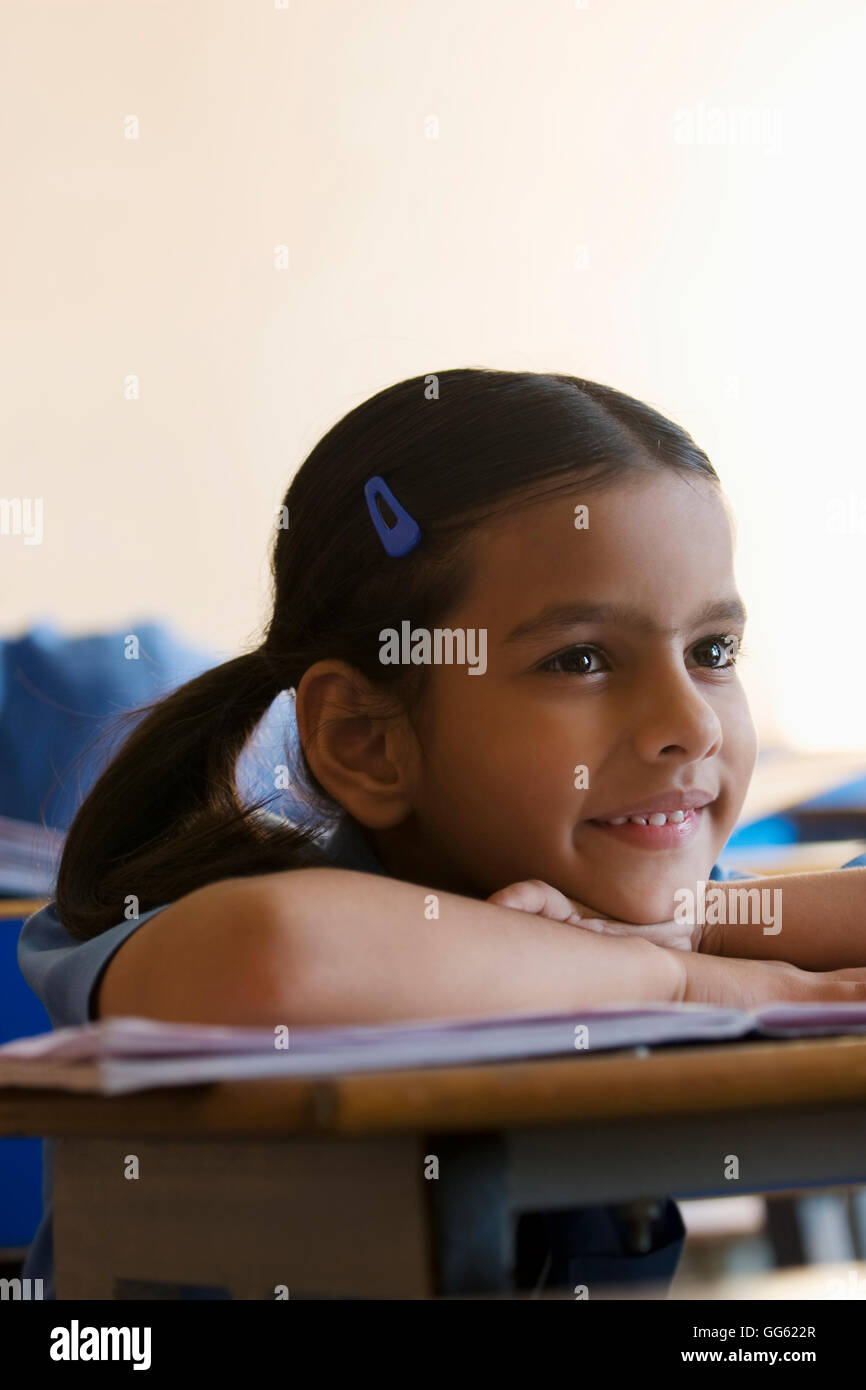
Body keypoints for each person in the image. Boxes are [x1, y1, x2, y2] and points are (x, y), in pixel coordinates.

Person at [18, 368, 866, 1298]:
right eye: (579, 659)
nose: (692, 725)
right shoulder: (211, 928)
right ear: (368, 741)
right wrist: (680, 976)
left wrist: (698, 924)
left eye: (713, 653)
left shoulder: (599, 894)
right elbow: (282, 956)